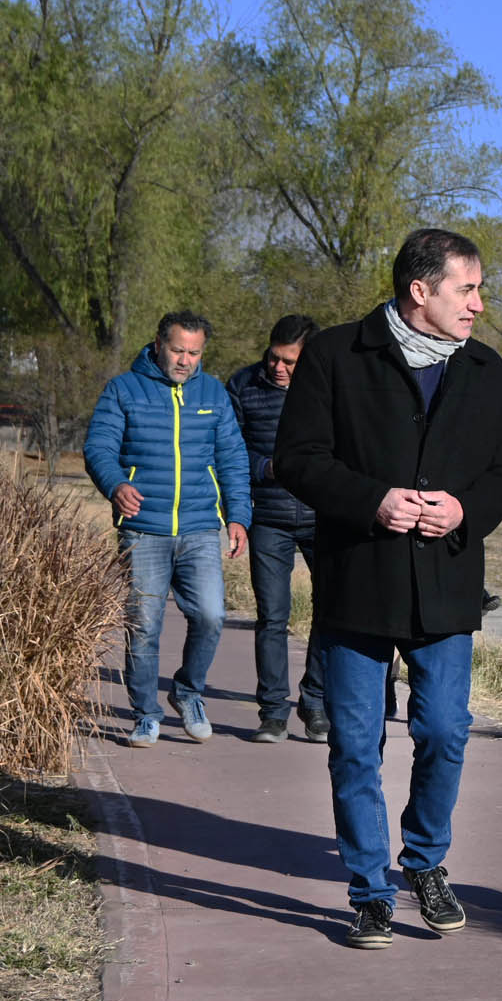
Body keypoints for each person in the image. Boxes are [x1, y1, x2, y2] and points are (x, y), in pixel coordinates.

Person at [276, 228, 502, 949]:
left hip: (446, 585)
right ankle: (369, 890)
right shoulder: (333, 356)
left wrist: (465, 509)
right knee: (355, 744)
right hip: (359, 579)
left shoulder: (483, 368)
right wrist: (371, 500)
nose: (478, 303)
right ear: (421, 291)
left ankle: (424, 863)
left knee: (444, 731)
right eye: (466, 289)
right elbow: (295, 460)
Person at [83, 311, 251, 747]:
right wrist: (116, 484)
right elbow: (99, 446)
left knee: (212, 616)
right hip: (143, 529)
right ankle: (146, 714)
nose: (185, 360)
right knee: (144, 625)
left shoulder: (213, 393)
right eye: (178, 350)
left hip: (199, 527)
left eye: (194, 352)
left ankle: (189, 692)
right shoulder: (124, 389)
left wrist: (238, 516)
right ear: (158, 343)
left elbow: (232, 458)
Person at [226, 315, 329, 744]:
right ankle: (272, 712)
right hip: (268, 518)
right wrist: (264, 467)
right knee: (272, 617)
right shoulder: (243, 385)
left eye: (289, 361)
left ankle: (315, 702)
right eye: (273, 357)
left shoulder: (328, 385)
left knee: (332, 612)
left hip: (324, 517)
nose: (278, 367)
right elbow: (228, 448)